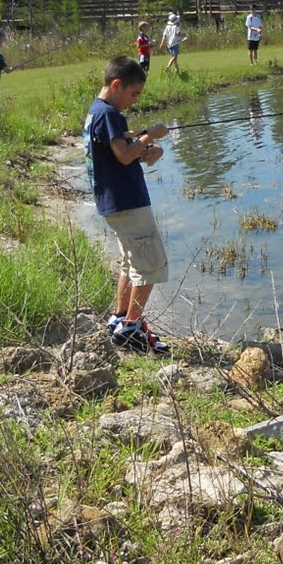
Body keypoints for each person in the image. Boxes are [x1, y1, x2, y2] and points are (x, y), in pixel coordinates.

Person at [83, 56, 172, 353]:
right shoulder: (108, 114)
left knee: (131, 263)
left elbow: (120, 149)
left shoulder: (97, 112)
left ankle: (120, 318)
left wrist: (146, 150)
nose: (134, 101)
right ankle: (132, 330)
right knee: (151, 263)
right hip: (128, 202)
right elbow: (123, 155)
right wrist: (151, 135)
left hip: (114, 203)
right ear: (117, 85)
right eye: (133, 94)